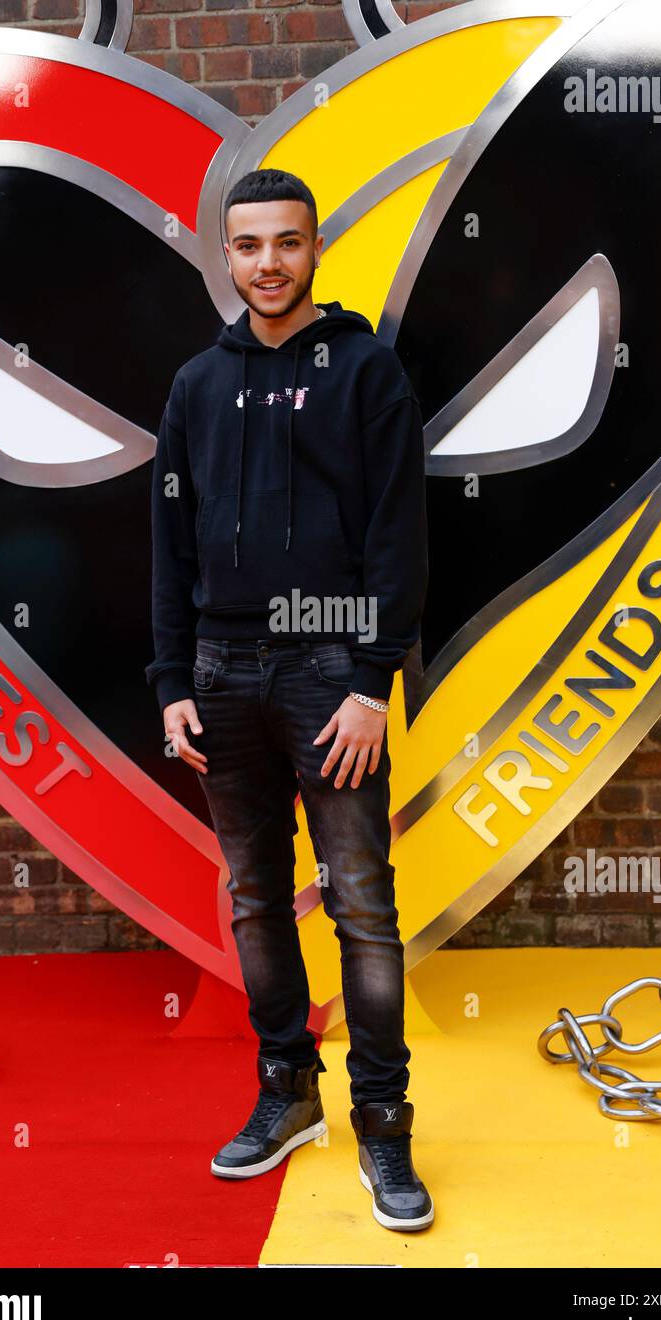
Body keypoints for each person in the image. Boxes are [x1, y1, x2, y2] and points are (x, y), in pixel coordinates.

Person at [145, 168, 432, 1231]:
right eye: (249, 244)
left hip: (328, 679)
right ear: (225, 256)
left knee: (362, 907)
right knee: (255, 900)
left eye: (287, 242)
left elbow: (398, 541)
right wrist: (172, 682)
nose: (268, 262)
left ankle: (384, 1124)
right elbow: (169, 547)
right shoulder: (194, 387)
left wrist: (369, 681)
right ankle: (286, 1092)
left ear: (316, 249)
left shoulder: (366, 372)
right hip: (221, 679)